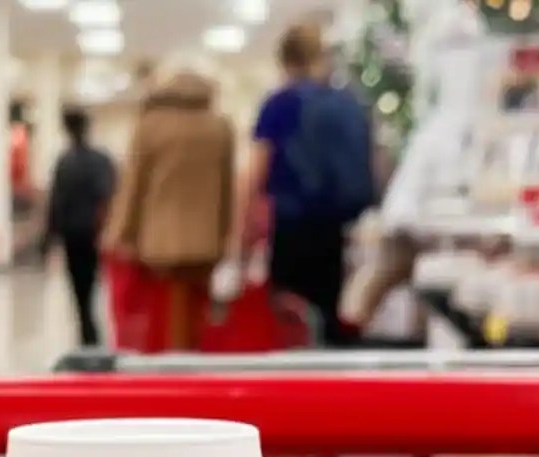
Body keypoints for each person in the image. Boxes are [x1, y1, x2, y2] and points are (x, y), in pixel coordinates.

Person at [239, 23, 376, 346]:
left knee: (289, 318)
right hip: (339, 229)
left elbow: (254, 172)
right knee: (331, 314)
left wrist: (240, 244)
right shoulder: (351, 103)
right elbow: (374, 164)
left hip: (292, 227)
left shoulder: (280, 103)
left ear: (287, 60)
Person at [103, 59, 236, 351]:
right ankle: (192, 359)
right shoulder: (220, 126)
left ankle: (172, 367)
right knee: (195, 312)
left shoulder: (150, 125)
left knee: (163, 314)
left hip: (159, 240)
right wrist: (228, 235)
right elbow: (228, 188)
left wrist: (119, 234)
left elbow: (134, 186)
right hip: (206, 239)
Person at [46, 109, 117, 347]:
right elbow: (110, 196)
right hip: (98, 233)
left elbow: (56, 203)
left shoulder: (65, 162)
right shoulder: (102, 160)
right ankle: (93, 331)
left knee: (79, 288)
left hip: (73, 235)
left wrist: (49, 239)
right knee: (98, 285)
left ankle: (87, 332)